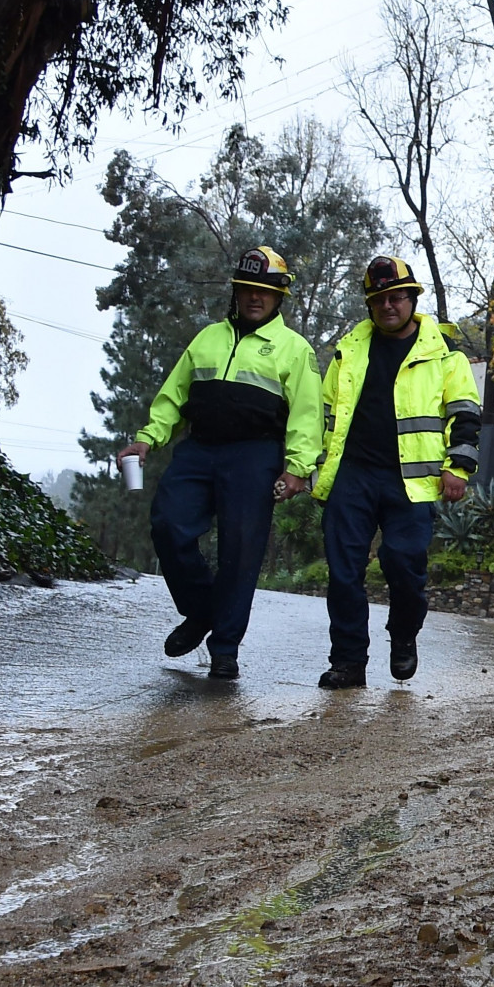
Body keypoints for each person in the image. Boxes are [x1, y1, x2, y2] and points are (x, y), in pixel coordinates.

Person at [116, 247, 322, 681]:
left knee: (240, 551)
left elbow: (307, 416)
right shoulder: (206, 338)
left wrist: (298, 468)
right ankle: (201, 611)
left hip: (255, 454)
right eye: (247, 289)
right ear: (236, 291)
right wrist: (146, 439)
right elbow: (174, 396)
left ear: (279, 296)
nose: (254, 298)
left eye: (264, 291)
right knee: (168, 525)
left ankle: (224, 648)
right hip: (199, 448)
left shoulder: (294, 349)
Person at [313, 255, 479, 688]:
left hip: (415, 480)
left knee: (404, 564)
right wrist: (312, 465)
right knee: (343, 569)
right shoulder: (348, 351)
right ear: (370, 305)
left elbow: (465, 414)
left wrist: (458, 467)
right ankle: (348, 661)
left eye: (397, 297)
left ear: (412, 299)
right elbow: (326, 412)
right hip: (353, 474)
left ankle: (404, 635)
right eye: (380, 299)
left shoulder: (445, 355)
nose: (389, 306)